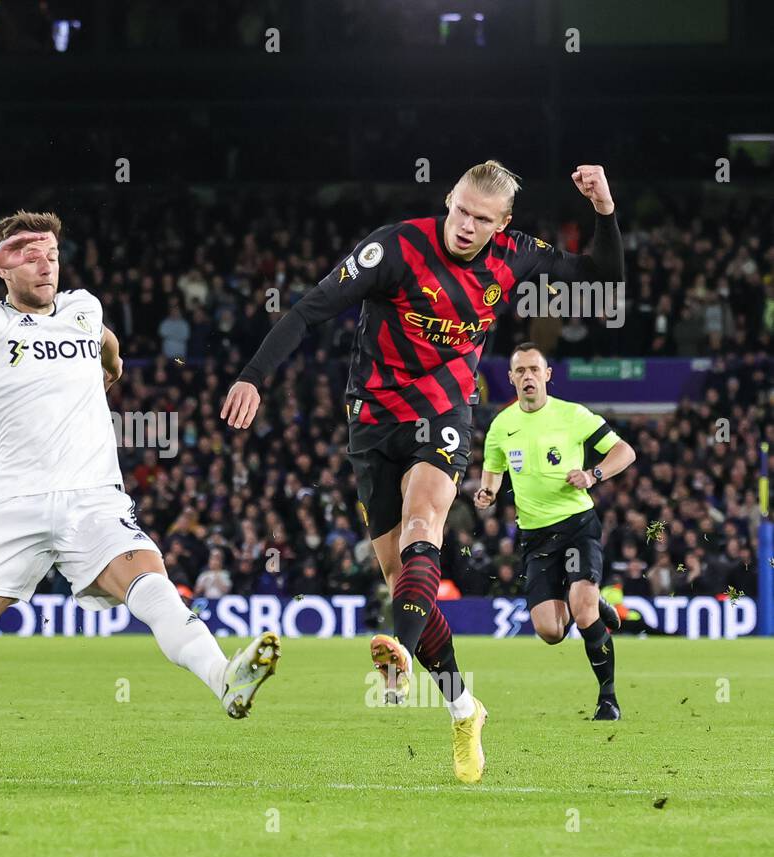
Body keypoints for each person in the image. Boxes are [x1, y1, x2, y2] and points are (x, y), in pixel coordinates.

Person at [222, 161, 624, 782]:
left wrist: (602, 209)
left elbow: (603, 274)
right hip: (373, 418)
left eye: (482, 219)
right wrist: (253, 374)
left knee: (423, 519)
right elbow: (307, 311)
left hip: (444, 410)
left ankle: (399, 654)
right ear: (449, 199)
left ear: (503, 224)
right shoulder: (394, 248)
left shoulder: (513, 256)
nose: (466, 226)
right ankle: (465, 709)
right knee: (398, 575)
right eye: (460, 210)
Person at [0, 210, 280, 783]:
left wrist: (113, 364)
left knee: (154, 589)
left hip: (93, 502)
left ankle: (225, 680)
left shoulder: (84, 307)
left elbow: (102, 338)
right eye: (27, 253)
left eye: (50, 251)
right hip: (15, 511)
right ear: (4, 265)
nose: (44, 261)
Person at [476, 343, 635, 720]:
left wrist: (593, 474)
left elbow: (624, 452)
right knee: (549, 631)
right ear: (511, 377)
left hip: (577, 526)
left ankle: (608, 698)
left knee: (581, 614)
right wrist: (489, 491)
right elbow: (493, 467)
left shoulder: (573, 415)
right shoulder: (502, 425)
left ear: (547, 375)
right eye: (521, 371)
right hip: (534, 537)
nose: (528, 376)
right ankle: (593, 601)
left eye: (535, 369)